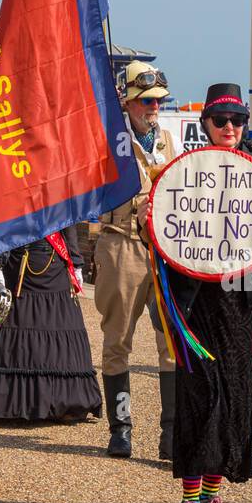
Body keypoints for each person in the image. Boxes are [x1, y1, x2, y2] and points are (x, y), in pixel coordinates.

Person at [157, 84, 252, 503]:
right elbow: (163, 230)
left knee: (234, 397)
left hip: (239, 304)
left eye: (237, 119)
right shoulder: (182, 174)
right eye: (221, 119)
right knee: (199, 396)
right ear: (206, 125)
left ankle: (214, 497)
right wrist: (145, 220)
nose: (230, 127)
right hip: (195, 305)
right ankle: (189, 502)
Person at [93, 60, 178, 459]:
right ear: (126, 102)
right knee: (117, 341)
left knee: (171, 343)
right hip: (121, 244)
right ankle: (121, 428)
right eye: (145, 100)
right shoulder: (109, 139)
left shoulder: (169, 141)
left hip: (161, 251)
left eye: (159, 101)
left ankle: (171, 433)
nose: (153, 107)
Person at [0, 224, 101, 422]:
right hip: (18, 263)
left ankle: (59, 402)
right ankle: (9, 403)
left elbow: (68, 221)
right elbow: (0, 221)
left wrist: (76, 262)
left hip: (55, 264)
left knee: (57, 331)